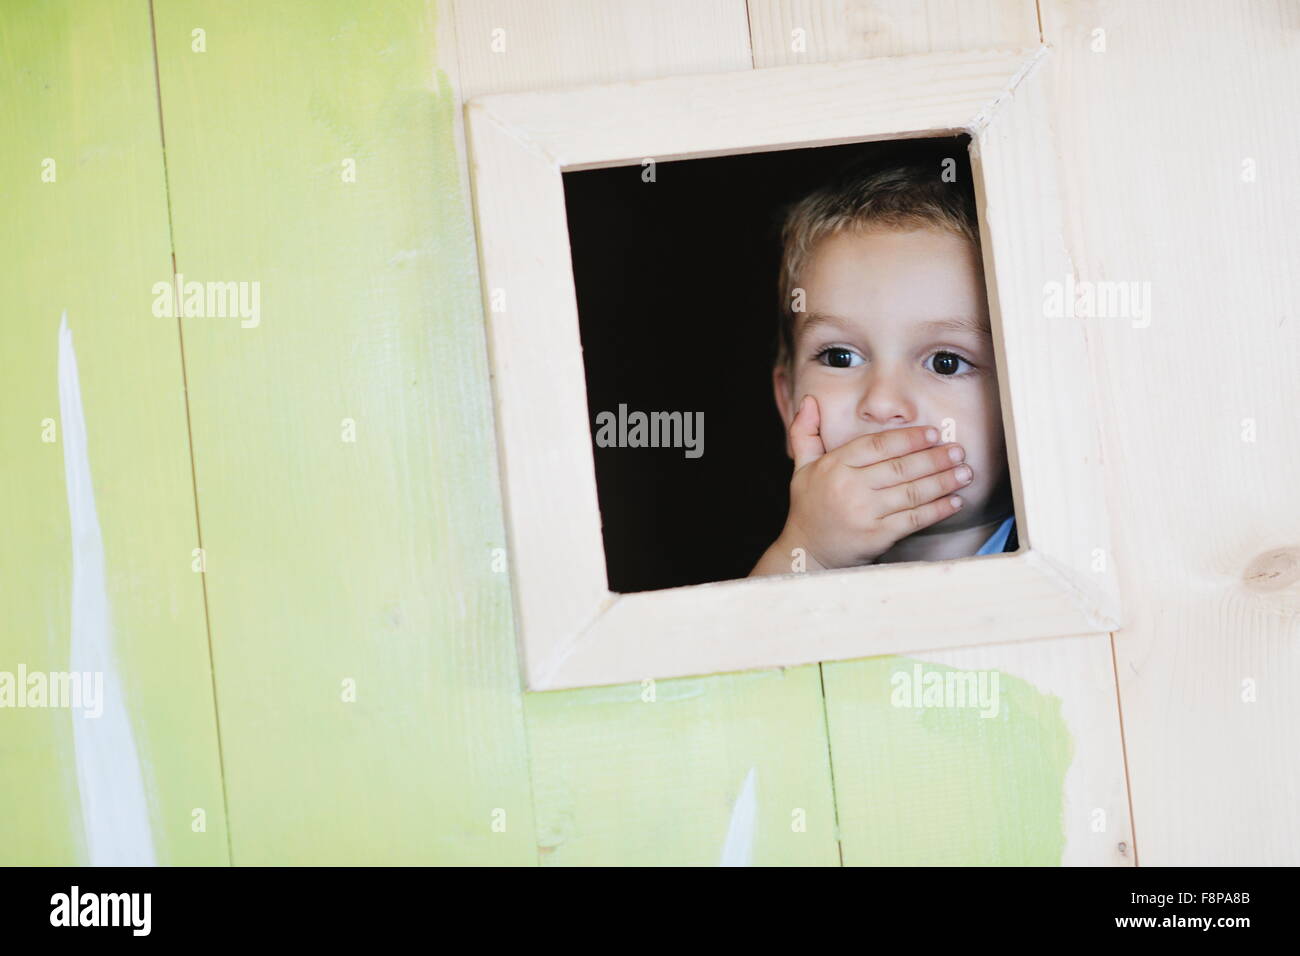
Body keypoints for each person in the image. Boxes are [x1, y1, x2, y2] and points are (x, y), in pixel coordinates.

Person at [750, 163, 1016, 577]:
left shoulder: (1065, 552)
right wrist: (810, 552)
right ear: (788, 406)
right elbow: (746, 642)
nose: (882, 402)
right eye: (841, 357)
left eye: (946, 363)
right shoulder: (802, 562)